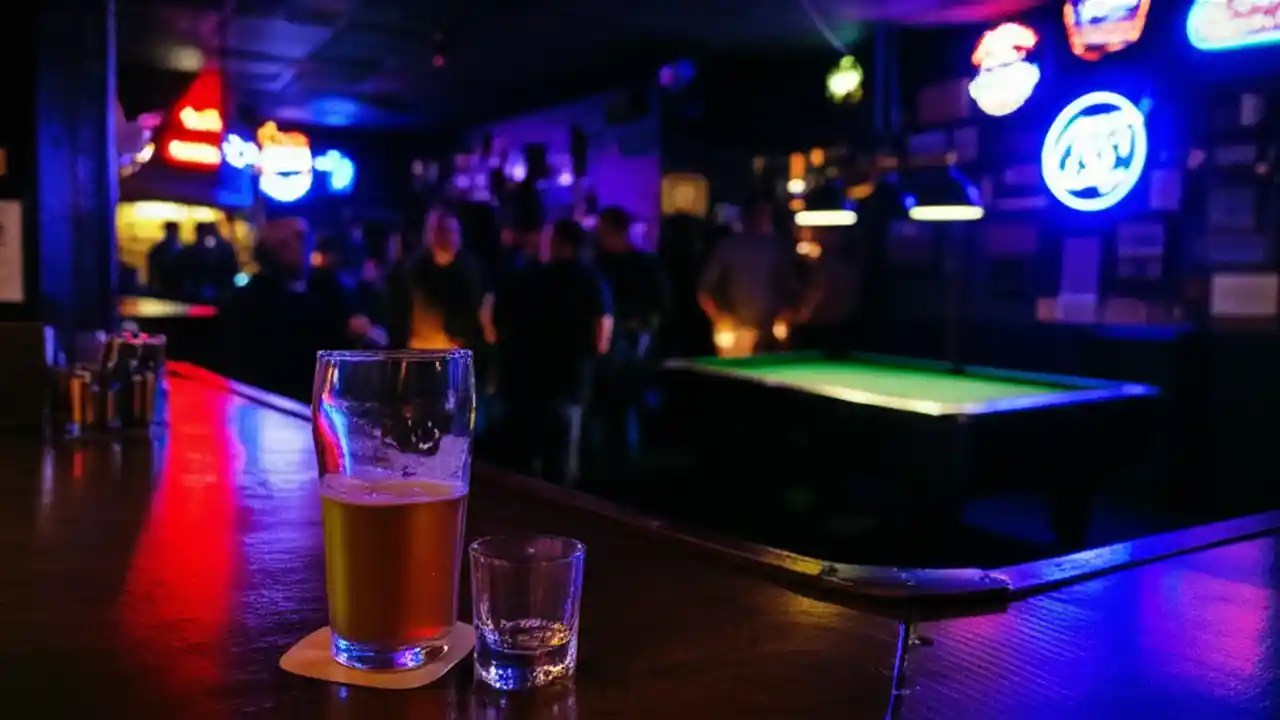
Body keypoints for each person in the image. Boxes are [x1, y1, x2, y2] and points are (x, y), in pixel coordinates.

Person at [496, 219, 612, 486]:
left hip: (530, 384)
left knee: (529, 464)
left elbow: (500, 321)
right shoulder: (590, 280)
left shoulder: (528, 278)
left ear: (558, 242)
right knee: (562, 468)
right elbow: (602, 330)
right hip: (570, 383)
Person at [217, 218, 377, 400]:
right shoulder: (247, 301)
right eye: (296, 239)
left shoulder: (328, 288)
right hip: (276, 402)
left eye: (306, 237)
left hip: (330, 401)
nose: (304, 245)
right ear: (270, 248)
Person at [593, 207, 666, 461]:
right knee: (609, 398)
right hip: (611, 341)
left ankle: (628, 454)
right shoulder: (599, 262)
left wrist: (643, 334)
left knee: (628, 397)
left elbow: (659, 304)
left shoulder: (641, 264)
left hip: (632, 340)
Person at [696, 195, 798, 357]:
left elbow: (790, 287)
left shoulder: (778, 248)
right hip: (736, 330)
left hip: (771, 331)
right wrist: (720, 318)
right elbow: (704, 291)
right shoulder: (729, 247)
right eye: (755, 213)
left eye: (764, 213)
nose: (759, 218)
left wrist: (784, 315)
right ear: (745, 216)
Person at [388, 206, 494, 350]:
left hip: (458, 350)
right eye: (438, 231)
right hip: (419, 350)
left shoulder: (471, 270)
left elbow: (479, 308)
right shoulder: (412, 269)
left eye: (449, 231)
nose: (444, 236)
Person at [180, 221, 238, 303]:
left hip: (219, 291)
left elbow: (231, 269)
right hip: (201, 292)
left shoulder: (224, 249)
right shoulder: (192, 251)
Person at [147, 221, 186, 298]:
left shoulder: (182, 249)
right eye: (171, 231)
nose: (173, 233)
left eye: (174, 231)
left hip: (178, 287)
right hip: (163, 287)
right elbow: (153, 269)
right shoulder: (158, 250)